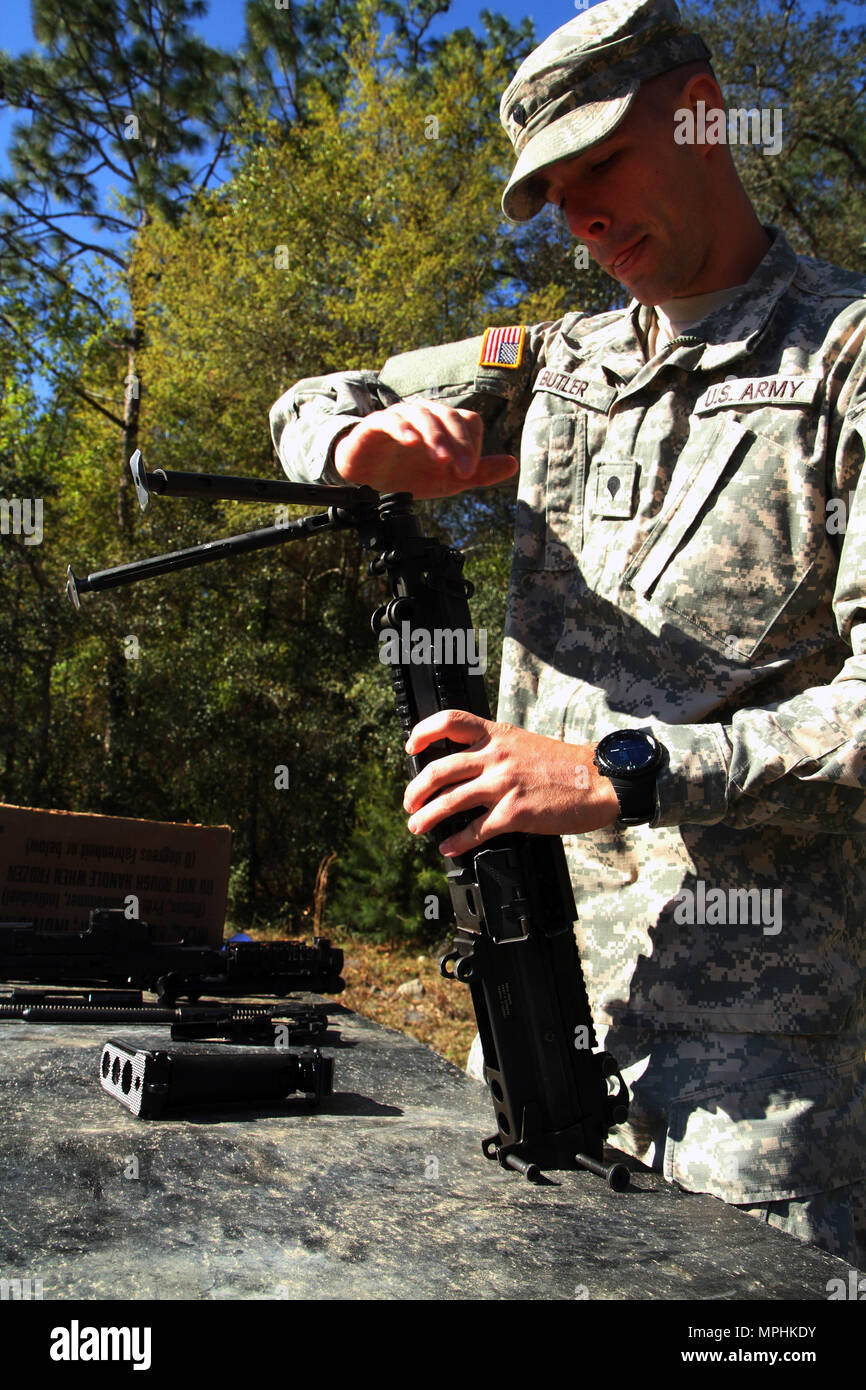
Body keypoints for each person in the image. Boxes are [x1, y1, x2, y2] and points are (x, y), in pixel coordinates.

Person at [269, 0, 866, 1268]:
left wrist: (620, 774)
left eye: (602, 158)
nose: (581, 213)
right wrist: (355, 447)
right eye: (551, 189)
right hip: (533, 1027)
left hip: (759, 1086)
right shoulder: (556, 365)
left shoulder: (842, 363)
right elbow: (316, 399)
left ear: (701, 110)